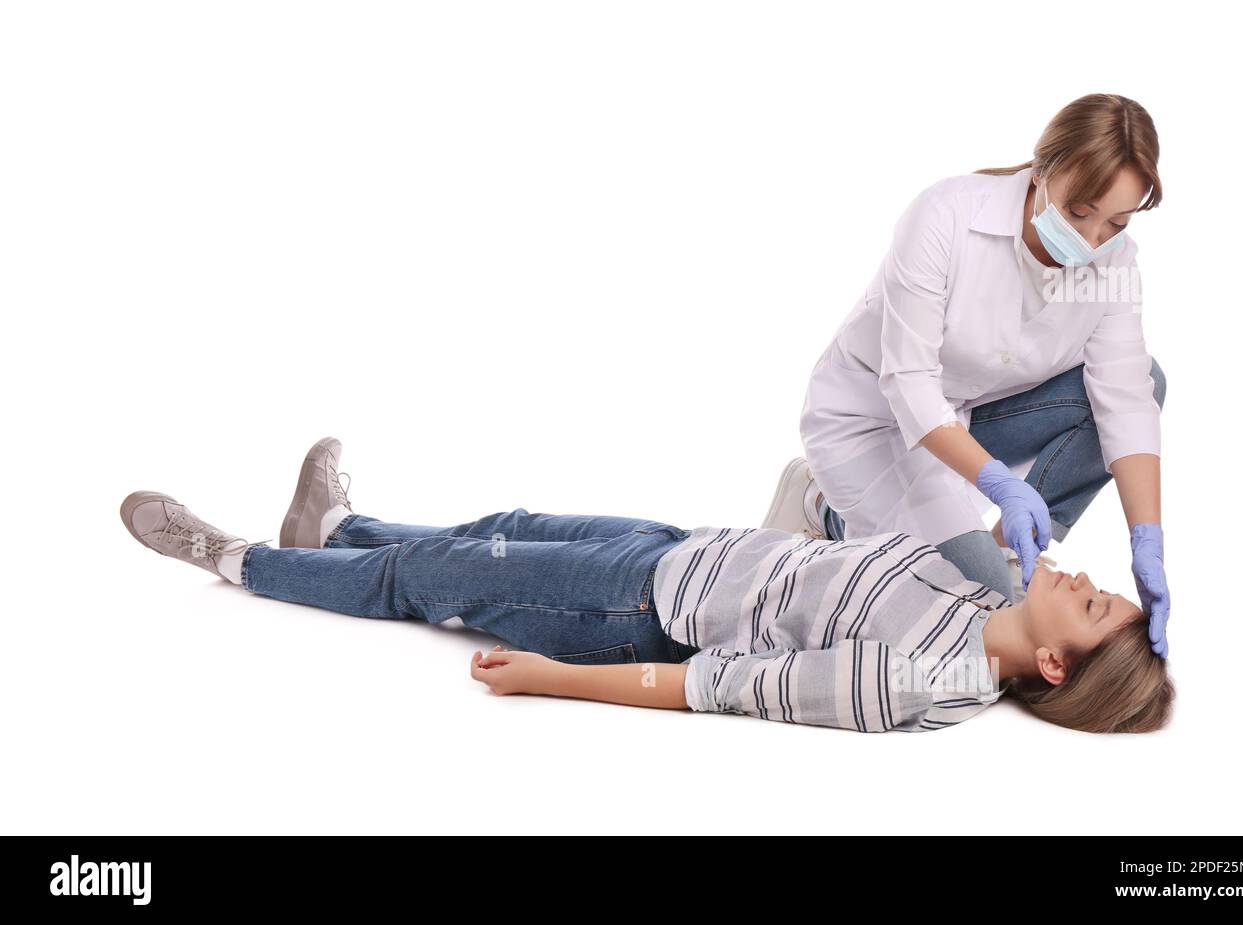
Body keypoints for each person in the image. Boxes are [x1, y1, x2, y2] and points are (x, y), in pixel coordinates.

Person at [120, 437, 1174, 735]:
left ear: (1049, 664)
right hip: (684, 549)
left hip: (636, 611)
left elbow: (721, 686)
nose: (1076, 573)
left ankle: (234, 557)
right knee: (503, 529)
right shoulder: (983, 599)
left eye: (1088, 602)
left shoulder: (919, 680)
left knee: (426, 580)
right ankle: (336, 527)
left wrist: (543, 680)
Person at [778, 93, 1171, 659]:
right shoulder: (946, 214)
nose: (1092, 243)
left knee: (1148, 380)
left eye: (1116, 222)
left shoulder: (1116, 263)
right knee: (979, 596)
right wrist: (1000, 485)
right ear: (1042, 172)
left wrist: (1146, 537)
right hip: (870, 423)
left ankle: (1013, 546)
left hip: (970, 417)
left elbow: (1127, 398)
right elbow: (909, 382)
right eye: (1080, 212)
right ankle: (824, 509)